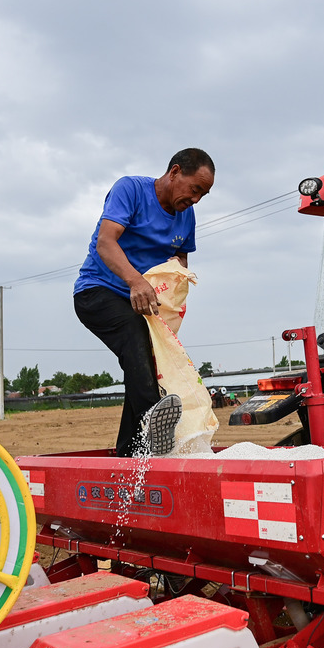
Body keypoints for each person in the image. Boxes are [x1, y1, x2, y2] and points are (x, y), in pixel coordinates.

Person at [73, 148, 215, 457]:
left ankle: (131, 450)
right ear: (174, 171)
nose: (196, 200)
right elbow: (106, 242)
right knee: (135, 337)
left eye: (203, 195)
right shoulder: (131, 190)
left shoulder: (186, 216)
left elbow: (178, 263)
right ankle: (155, 420)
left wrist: (172, 307)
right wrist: (135, 281)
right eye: (195, 189)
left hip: (143, 305)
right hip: (98, 292)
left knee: (150, 366)